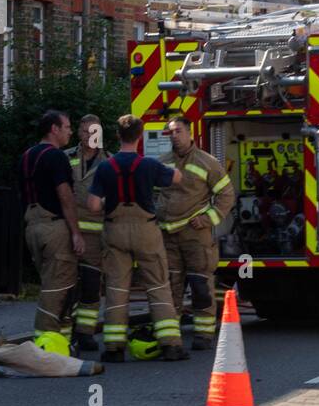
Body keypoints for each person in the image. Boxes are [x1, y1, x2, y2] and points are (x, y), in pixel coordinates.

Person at [87, 115, 186, 361]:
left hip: (115, 230)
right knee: (158, 286)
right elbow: (177, 179)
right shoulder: (149, 165)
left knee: (117, 289)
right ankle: (171, 345)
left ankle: (113, 348)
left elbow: (93, 206)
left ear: (118, 136)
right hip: (146, 231)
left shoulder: (105, 167)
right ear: (140, 137)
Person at [158, 117, 234, 351]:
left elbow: (226, 194)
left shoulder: (207, 162)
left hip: (195, 235)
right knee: (171, 287)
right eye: (170, 132)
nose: (174, 136)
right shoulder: (162, 163)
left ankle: (204, 335)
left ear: (190, 133)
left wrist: (208, 218)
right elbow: (152, 194)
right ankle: (171, 339)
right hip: (168, 236)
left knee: (200, 285)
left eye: (178, 131)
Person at [20, 111, 84, 338]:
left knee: (51, 282)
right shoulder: (56, 156)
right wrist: (76, 233)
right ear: (54, 129)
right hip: (54, 227)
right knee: (59, 288)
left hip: (33, 226)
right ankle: (45, 341)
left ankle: (62, 341)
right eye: (66, 127)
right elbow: (65, 195)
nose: (70, 131)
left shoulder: (27, 155)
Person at [65, 114, 108, 354]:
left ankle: (86, 333)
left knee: (92, 285)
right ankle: (66, 330)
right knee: (67, 284)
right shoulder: (65, 158)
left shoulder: (109, 161)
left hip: (96, 235)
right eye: (85, 132)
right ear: (79, 134)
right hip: (68, 230)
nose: (91, 136)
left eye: (95, 132)